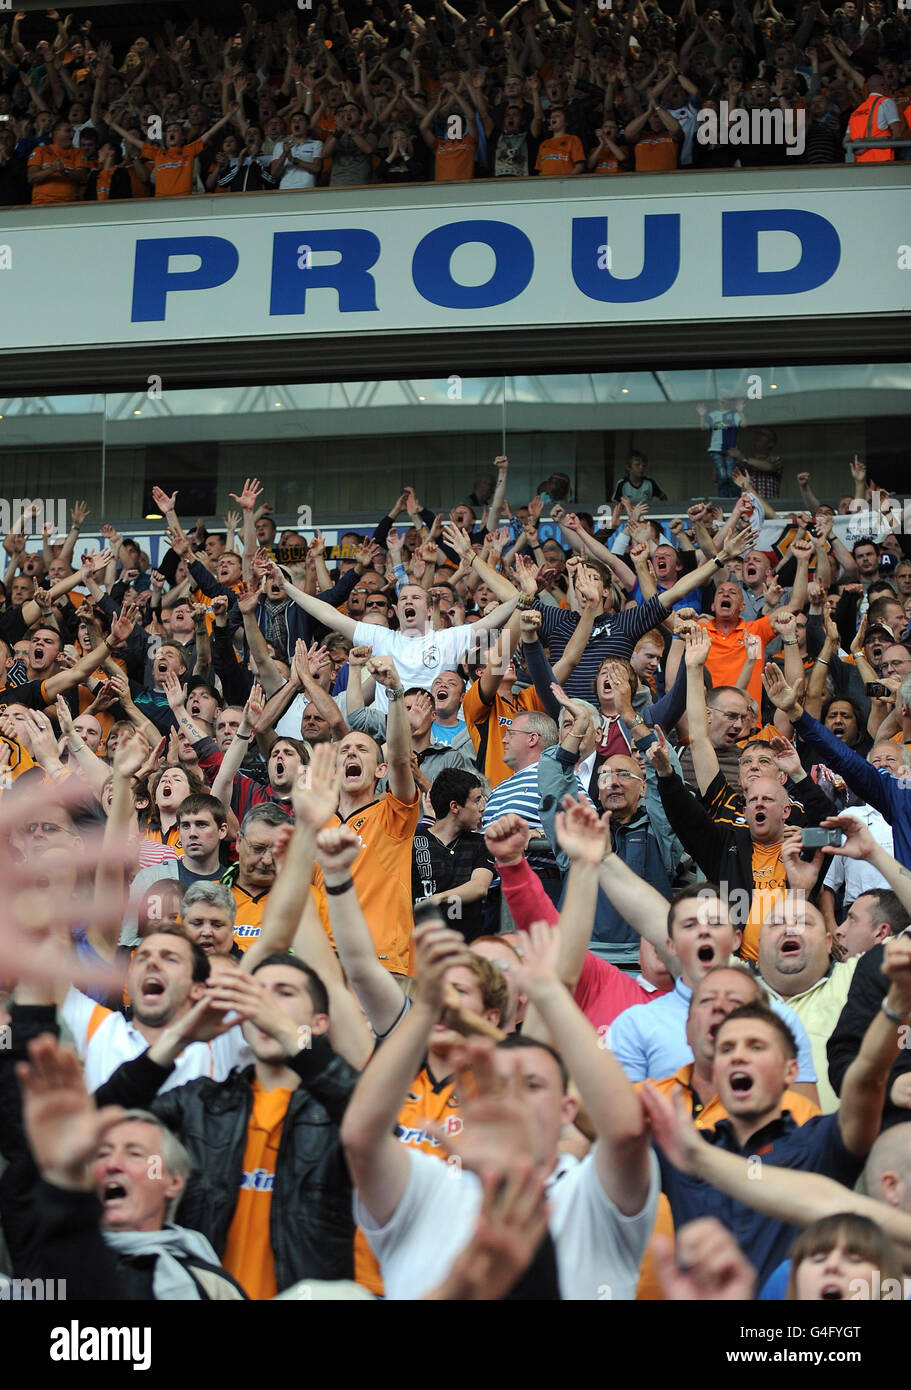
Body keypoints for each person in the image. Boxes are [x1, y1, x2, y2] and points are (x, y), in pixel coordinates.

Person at [341, 916, 660, 1301]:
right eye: (499, 1085)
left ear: (567, 1110)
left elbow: (626, 1131)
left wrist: (551, 994)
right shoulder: (430, 1185)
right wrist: (425, 1009)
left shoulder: (589, 1190)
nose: (514, 1098)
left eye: (533, 1084)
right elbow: (360, 1140)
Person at [642, 944, 911, 1287]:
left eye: (756, 1046)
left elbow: (868, 1075)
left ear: (790, 1070)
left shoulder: (819, 1144)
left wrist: (895, 1008)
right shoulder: (677, 1149)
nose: (738, 1057)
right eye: (727, 1049)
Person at [15, 1036, 247, 1300]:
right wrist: (65, 1177)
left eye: (135, 1154)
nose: (113, 1165)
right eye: (102, 1154)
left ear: (173, 1181)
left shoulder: (212, 1287)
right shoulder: (48, 1273)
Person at [412, 769, 493, 942]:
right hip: (418, 948)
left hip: (466, 950)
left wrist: (438, 898)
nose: (483, 807)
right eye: (477, 800)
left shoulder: (481, 843)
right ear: (455, 806)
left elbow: (480, 886)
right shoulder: (413, 843)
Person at [26, 117, 90, 205]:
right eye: (68, 131)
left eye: (73, 131)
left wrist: (65, 172)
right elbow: (32, 177)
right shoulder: (40, 150)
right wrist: (52, 169)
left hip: (70, 204)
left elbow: (82, 176)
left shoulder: (78, 152)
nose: (73, 133)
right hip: (42, 203)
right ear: (55, 133)